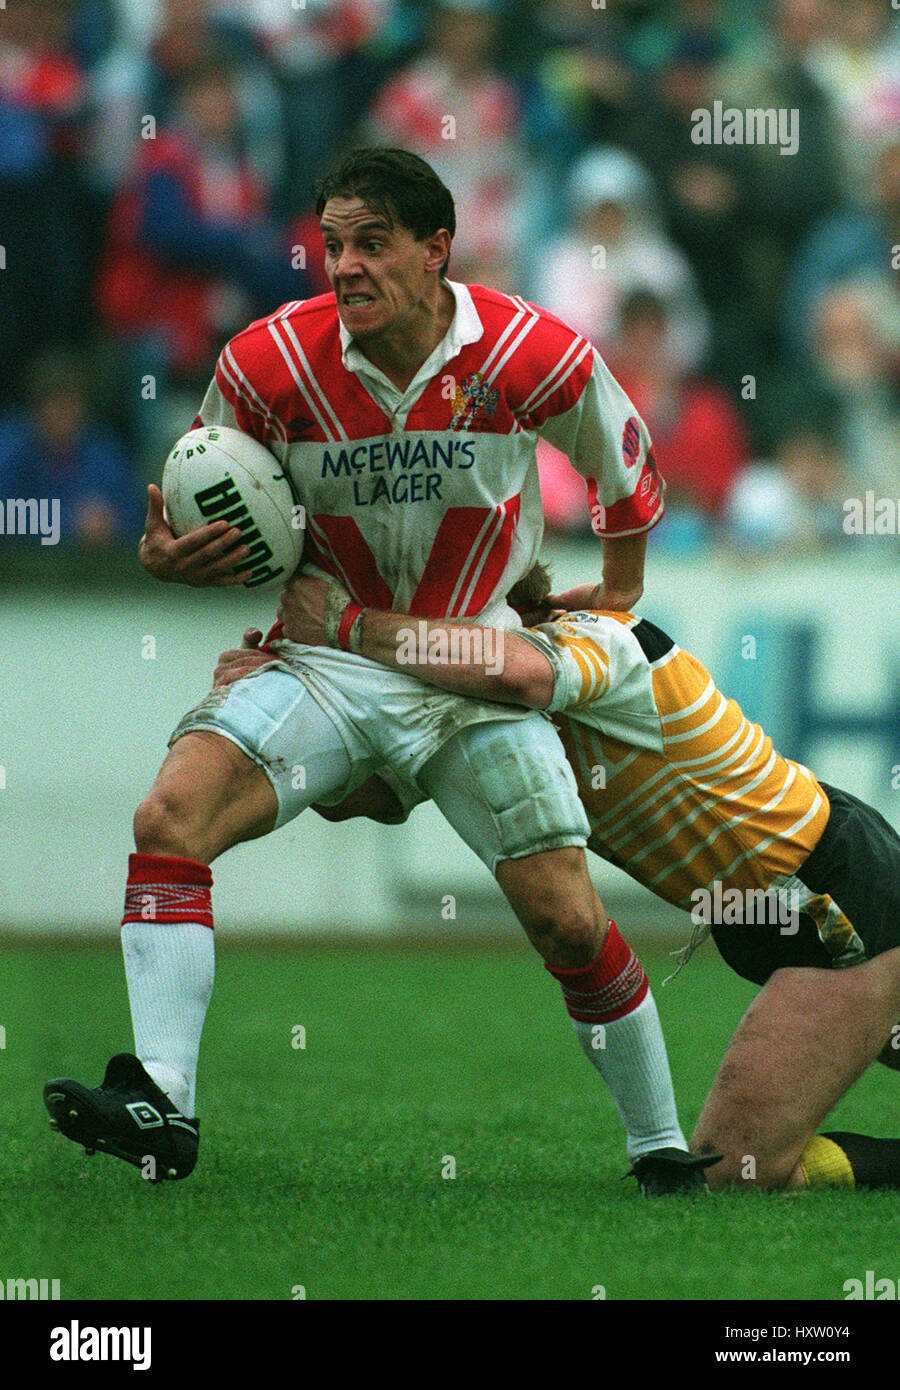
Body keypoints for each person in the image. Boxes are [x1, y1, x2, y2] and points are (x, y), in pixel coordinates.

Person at [44, 147, 711, 1196]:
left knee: (568, 919)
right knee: (170, 817)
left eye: (371, 243)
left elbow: (626, 469)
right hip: (326, 660)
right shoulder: (265, 364)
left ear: (435, 247)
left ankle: (662, 1151)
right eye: (333, 244)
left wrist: (614, 593)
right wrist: (165, 559)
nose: (344, 265)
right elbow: (194, 501)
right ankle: (162, 1100)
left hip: (468, 668)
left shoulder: (530, 351)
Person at [216, 560, 900, 1193]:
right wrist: (279, 712)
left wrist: (348, 627)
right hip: (765, 912)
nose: (428, 634)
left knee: (740, 1170)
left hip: (831, 896)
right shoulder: (484, 704)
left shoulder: (601, 637)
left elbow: (519, 674)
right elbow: (367, 801)